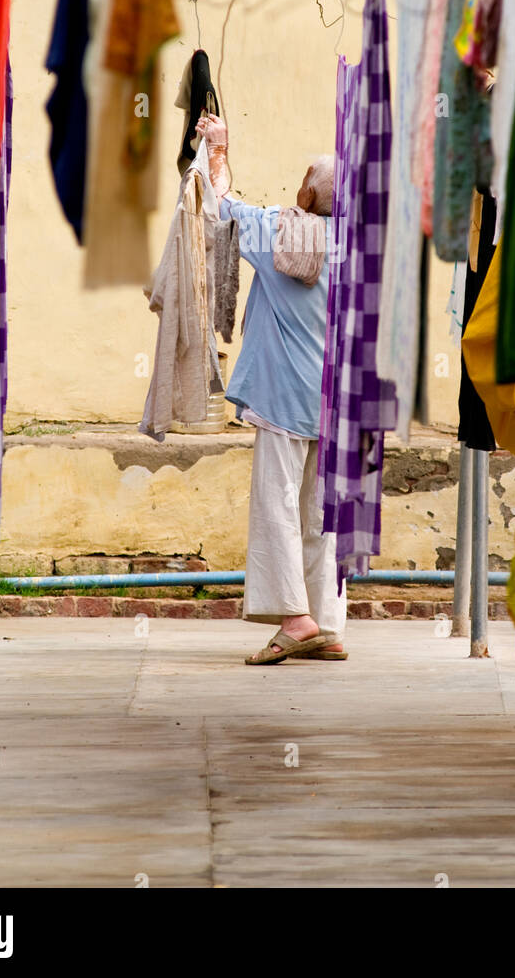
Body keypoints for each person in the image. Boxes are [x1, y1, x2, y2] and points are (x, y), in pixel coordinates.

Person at [195, 112, 347, 665]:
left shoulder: (283, 232)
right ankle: (326, 623)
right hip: (337, 406)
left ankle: (296, 619)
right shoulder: (356, 246)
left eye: (305, 178)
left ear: (309, 192)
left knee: (277, 506)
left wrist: (218, 147)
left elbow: (222, 206)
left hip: (286, 400)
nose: (298, 184)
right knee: (321, 514)